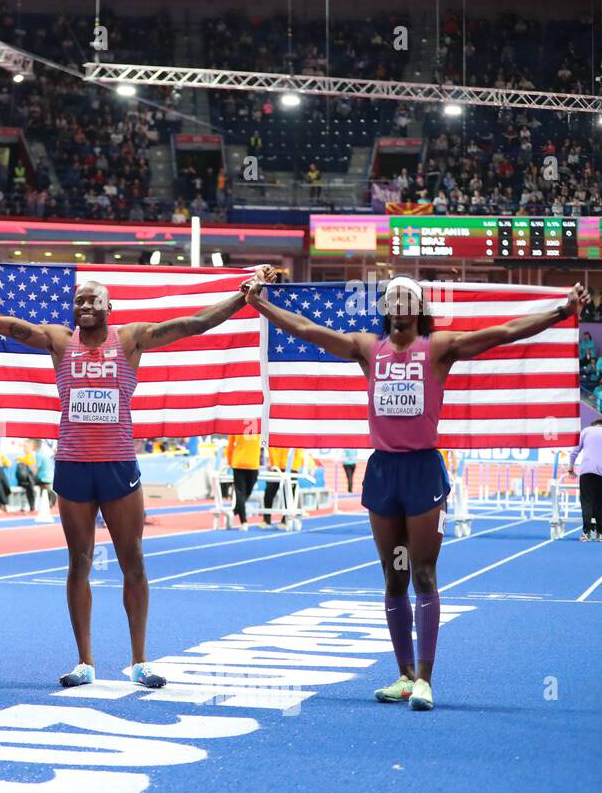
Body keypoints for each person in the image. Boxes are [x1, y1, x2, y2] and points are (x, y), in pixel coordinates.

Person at [247, 271, 587, 711]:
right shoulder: (368, 349)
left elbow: (502, 333)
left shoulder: (439, 348)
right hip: (384, 472)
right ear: (386, 309)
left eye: (409, 296)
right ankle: (404, 675)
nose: (401, 302)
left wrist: (562, 311)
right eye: (394, 297)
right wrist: (261, 304)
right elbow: (308, 330)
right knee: (394, 577)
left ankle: (425, 680)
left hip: (424, 472)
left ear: (420, 308)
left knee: (424, 574)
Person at [0, 255, 259, 688]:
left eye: (93, 301)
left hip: (118, 464)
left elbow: (195, 323)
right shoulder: (58, 340)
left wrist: (243, 298)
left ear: (109, 308)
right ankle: (85, 662)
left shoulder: (131, 340)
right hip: (72, 464)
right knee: (78, 562)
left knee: (133, 562)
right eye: (79, 301)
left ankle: (140, 661)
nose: (84, 306)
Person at [568, 419, 602, 541]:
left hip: (587, 471)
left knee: (587, 502)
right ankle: (600, 533)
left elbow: (574, 452)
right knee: (600, 503)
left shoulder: (586, 431)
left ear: (593, 425)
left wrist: (571, 469)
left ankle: (587, 532)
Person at [262, 445, 304, 528]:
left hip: (291, 467)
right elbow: (271, 448)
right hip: (276, 467)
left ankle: (285, 520)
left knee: (288, 495)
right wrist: (273, 463)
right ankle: (266, 520)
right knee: (268, 492)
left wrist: (294, 466)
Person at [225, 432, 260, 529]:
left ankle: (234, 511)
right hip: (239, 463)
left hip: (252, 464)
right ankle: (244, 521)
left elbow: (230, 447)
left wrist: (229, 460)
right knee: (241, 493)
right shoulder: (236, 425)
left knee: (246, 492)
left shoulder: (259, 424)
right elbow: (230, 446)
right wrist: (230, 461)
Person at [33, 438, 56, 508]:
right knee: (43, 489)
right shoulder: (43, 453)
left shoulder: (38, 454)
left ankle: (32, 505)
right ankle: (48, 497)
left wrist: (31, 477)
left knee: (28, 482)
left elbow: (35, 469)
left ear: (34, 445)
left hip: (43, 478)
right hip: (49, 476)